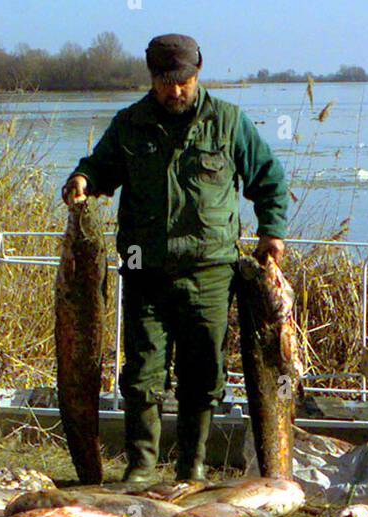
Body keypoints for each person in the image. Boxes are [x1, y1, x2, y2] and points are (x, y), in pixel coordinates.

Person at [62, 33, 289, 483]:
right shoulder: (130, 125)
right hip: (144, 270)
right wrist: (83, 179)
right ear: (152, 78)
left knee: (203, 374)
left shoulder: (228, 122)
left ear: (198, 73)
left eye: (183, 80)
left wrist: (272, 231)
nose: (175, 90)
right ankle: (141, 469)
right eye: (166, 81)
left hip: (210, 270)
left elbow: (268, 177)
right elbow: (99, 166)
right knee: (143, 372)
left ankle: (192, 470)